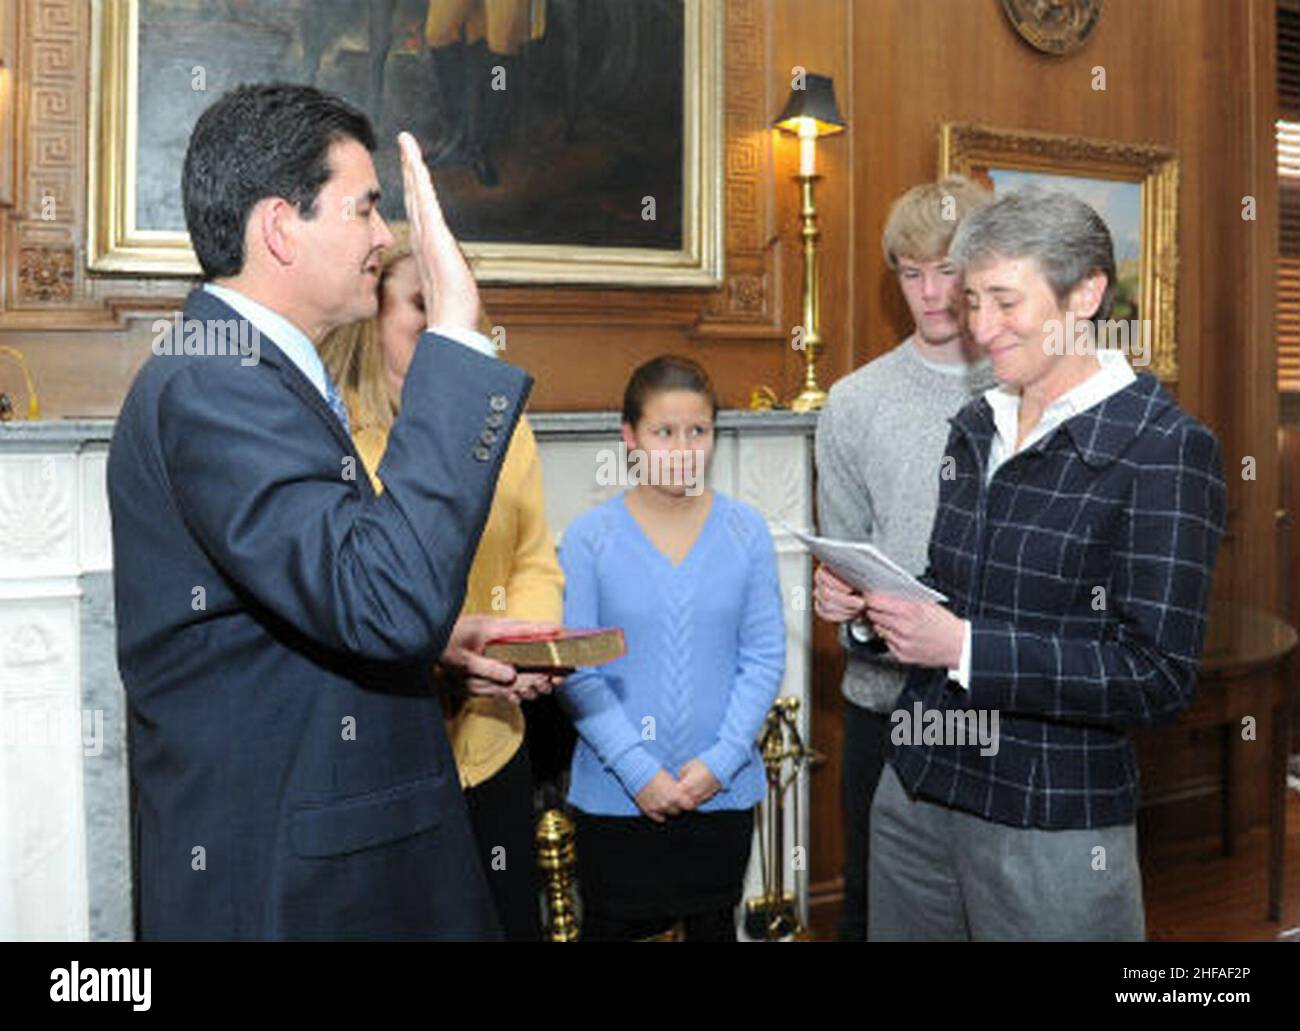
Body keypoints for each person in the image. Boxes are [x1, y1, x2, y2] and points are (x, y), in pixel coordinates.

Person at [108, 83, 548, 940]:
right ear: (281, 226)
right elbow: (383, 599)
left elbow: (331, 586)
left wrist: (441, 639)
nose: (384, 238)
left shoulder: (248, 372)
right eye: (366, 209)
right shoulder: (214, 385)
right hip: (289, 886)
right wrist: (455, 334)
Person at [848, 188, 1226, 940]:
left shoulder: (1163, 445)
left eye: (1004, 301)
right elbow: (951, 588)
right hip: (918, 788)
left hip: (1051, 822)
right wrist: (871, 610)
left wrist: (963, 648)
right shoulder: (976, 421)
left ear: (1084, 294)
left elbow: (1156, 674)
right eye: (973, 299)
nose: (980, 327)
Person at [319, 247, 563, 940]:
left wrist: (528, 645)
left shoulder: (503, 423)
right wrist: (444, 643)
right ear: (374, 315)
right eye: (418, 303)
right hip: (383, 752)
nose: (438, 321)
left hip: (493, 737)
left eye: (450, 303)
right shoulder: (329, 434)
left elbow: (535, 558)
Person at [812, 175, 992, 940]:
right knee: (876, 909)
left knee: (995, 905)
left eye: (947, 269)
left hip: (998, 700)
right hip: (885, 708)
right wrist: (842, 605)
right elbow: (846, 561)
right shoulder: (854, 401)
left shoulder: (1026, 389)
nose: (929, 291)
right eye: (910, 272)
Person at [558, 356, 785, 941]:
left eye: (698, 431)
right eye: (664, 431)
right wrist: (639, 771)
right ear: (629, 437)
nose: (683, 448)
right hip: (617, 796)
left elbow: (762, 658)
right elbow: (579, 673)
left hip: (722, 793)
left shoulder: (746, 531)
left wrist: (720, 762)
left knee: (714, 929)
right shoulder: (590, 539)